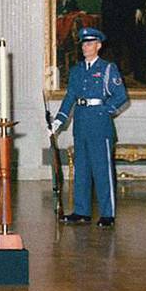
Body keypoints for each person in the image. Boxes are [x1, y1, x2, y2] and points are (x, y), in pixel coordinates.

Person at [50, 26, 128, 227]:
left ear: (99, 46)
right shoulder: (76, 71)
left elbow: (121, 96)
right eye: (84, 43)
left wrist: (105, 110)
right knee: (81, 170)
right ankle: (81, 211)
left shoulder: (107, 68)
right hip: (81, 123)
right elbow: (70, 98)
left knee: (102, 170)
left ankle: (107, 214)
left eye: (90, 43)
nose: (86, 46)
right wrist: (58, 121)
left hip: (100, 125)